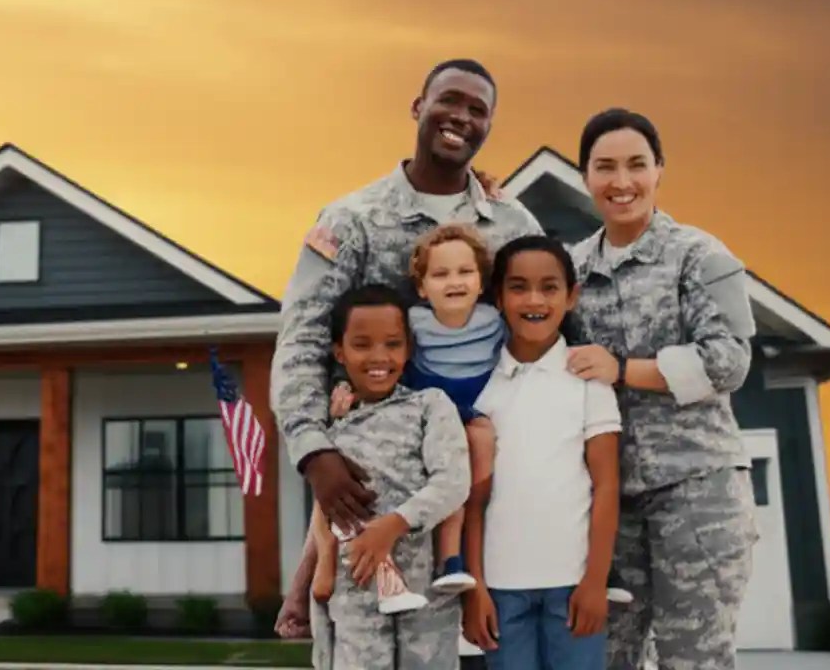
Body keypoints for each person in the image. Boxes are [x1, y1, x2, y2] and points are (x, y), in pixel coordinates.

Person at [270, 58, 542, 666]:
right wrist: (315, 453)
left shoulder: (510, 222)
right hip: (368, 485)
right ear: (418, 107)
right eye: (450, 101)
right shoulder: (351, 219)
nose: (462, 118)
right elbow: (302, 340)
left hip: (483, 477)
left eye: (479, 110)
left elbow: (545, 319)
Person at [563, 108, 759, 668]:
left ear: (659, 171)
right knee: (602, 656)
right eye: (605, 167)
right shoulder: (571, 269)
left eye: (636, 165)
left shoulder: (700, 257)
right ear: (585, 177)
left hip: (698, 493)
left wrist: (623, 369)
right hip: (608, 504)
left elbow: (728, 362)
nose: (621, 182)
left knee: (694, 656)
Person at [459, 235, 623, 669]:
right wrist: (476, 586)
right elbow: (473, 500)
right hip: (501, 590)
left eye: (549, 287)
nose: (534, 300)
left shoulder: (588, 379)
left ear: (571, 297)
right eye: (518, 287)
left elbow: (606, 486)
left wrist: (595, 581)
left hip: (573, 587)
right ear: (497, 297)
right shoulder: (481, 387)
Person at [320, 223, 501, 602]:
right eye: (440, 274)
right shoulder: (413, 322)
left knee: (475, 445)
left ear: (482, 281)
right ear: (421, 288)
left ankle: (456, 558)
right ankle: (318, 566)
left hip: (470, 411)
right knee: (334, 470)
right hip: (426, 412)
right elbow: (375, 347)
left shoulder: (495, 321)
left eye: (465, 272)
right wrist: (344, 383)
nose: (454, 281)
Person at [317, 283, 471, 669]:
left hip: (426, 591)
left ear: (408, 348)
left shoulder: (428, 406)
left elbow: (453, 482)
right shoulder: (329, 427)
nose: (379, 357)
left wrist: (394, 524)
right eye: (362, 344)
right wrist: (315, 574)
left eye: (392, 343)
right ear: (340, 351)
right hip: (356, 589)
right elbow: (324, 509)